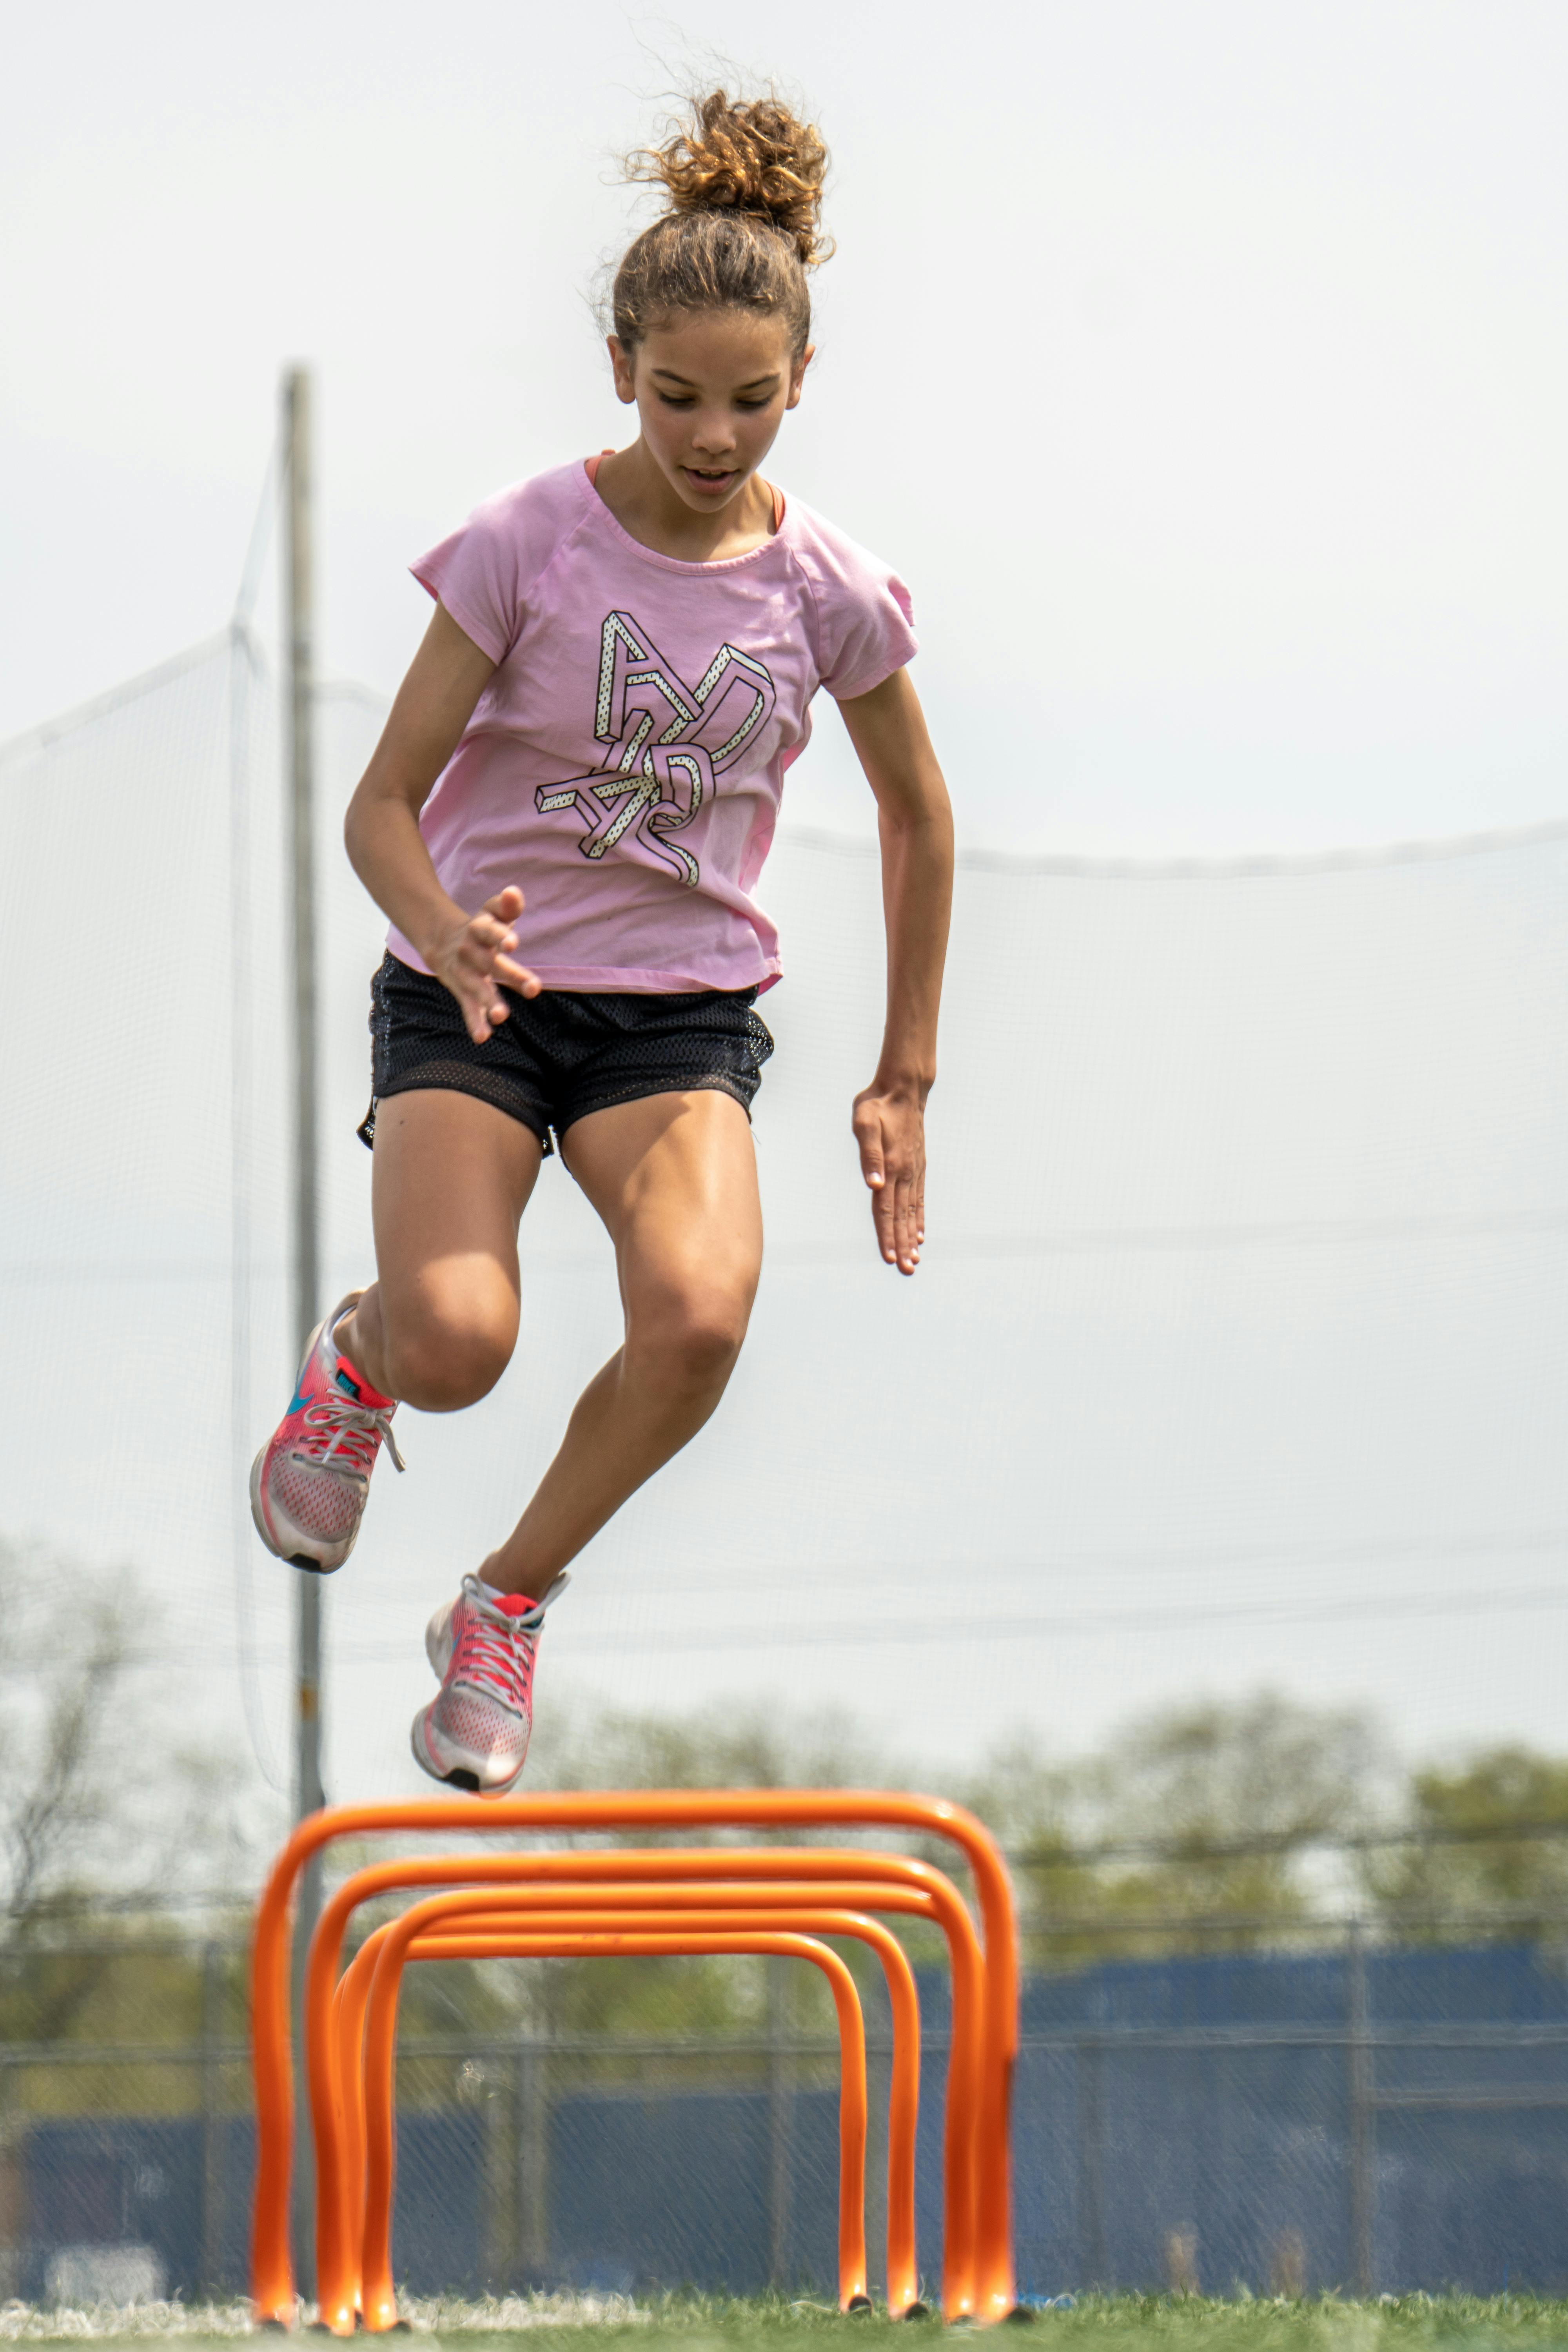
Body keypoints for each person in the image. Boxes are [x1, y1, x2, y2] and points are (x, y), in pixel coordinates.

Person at [250, 89, 954, 1794]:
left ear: (800, 384)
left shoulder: (829, 592)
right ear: (619, 366)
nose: (713, 436)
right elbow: (380, 806)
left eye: (752, 401)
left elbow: (923, 819)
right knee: (460, 1350)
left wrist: (902, 1079)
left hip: (677, 1022)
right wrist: (445, 934)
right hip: (479, 989)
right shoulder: (526, 544)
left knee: (703, 1322)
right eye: (676, 396)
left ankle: (500, 1605)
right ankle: (358, 1365)